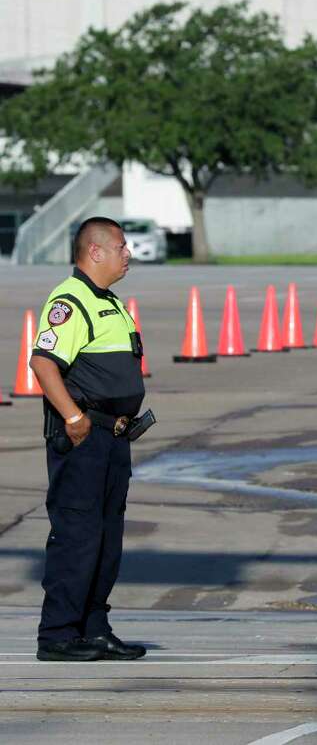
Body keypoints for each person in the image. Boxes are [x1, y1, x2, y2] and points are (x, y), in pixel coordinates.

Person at [29, 217, 149, 661]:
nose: (127, 253)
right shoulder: (70, 300)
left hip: (114, 439)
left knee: (106, 539)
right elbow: (43, 364)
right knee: (77, 535)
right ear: (95, 252)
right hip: (84, 438)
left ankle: (93, 627)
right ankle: (58, 633)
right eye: (121, 246)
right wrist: (74, 416)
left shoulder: (111, 302)